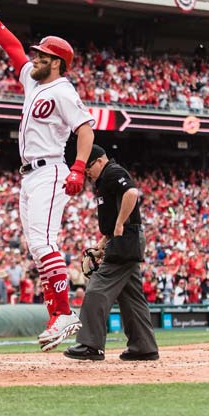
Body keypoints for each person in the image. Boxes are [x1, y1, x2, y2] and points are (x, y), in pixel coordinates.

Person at [0, 0, 95, 351]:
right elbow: (13, 49)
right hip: (29, 174)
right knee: (37, 247)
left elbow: (86, 130)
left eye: (42, 55)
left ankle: (63, 313)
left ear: (57, 62)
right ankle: (57, 314)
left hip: (51, 170)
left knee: (45, 242)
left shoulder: (63, 90)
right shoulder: (33, 80)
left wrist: (78, 168)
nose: (35, 58)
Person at [64, 145, 159, 362]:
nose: (87, 172)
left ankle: (91, 345)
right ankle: (143, 347)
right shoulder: (104, 178)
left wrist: (119, 224)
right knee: (132, 297)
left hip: (125, 240)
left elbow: (131, 193)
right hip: (124, 239)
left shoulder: (112, 172)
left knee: (96, 289)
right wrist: (103, 242)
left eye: (88, 167)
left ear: (99, 160)